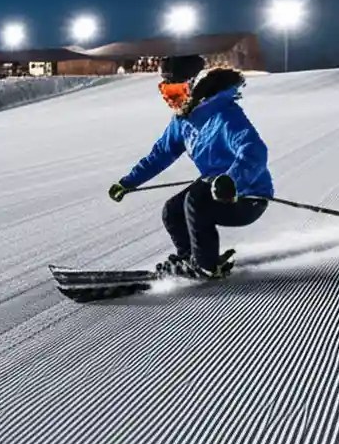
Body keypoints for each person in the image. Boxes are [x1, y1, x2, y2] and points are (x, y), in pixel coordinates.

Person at [107, 54, 274, 278]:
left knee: (196, 199)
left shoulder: (224, 113)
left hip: (245, 197)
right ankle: (189, 258)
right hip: (213, 188)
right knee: (173, 210)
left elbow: (254, 150)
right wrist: (128, 182)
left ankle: (206, 266)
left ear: (195, 85)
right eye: (166, 92)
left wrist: (232, 180)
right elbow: (161, 154)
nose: (171, 99)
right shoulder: (183, 120)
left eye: (175, 91)